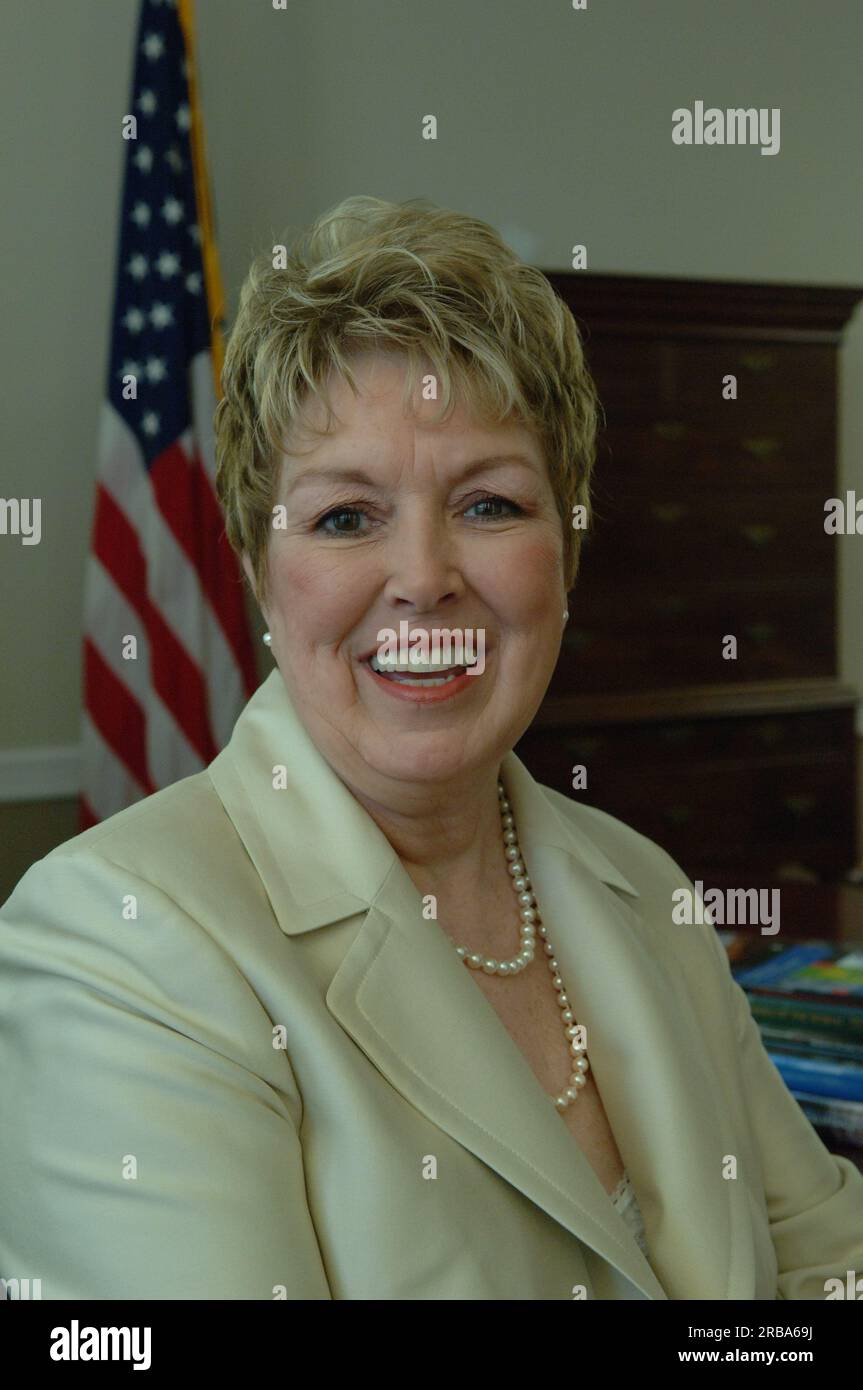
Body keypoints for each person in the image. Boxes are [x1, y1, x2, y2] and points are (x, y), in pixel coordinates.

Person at [1, 195, 861, 1300]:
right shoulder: (111, 946)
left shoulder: (643, 888)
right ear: (261, 572)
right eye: (346, 517)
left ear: (564, 551)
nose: (422, 575)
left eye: (490, 504)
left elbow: (829, 1267)